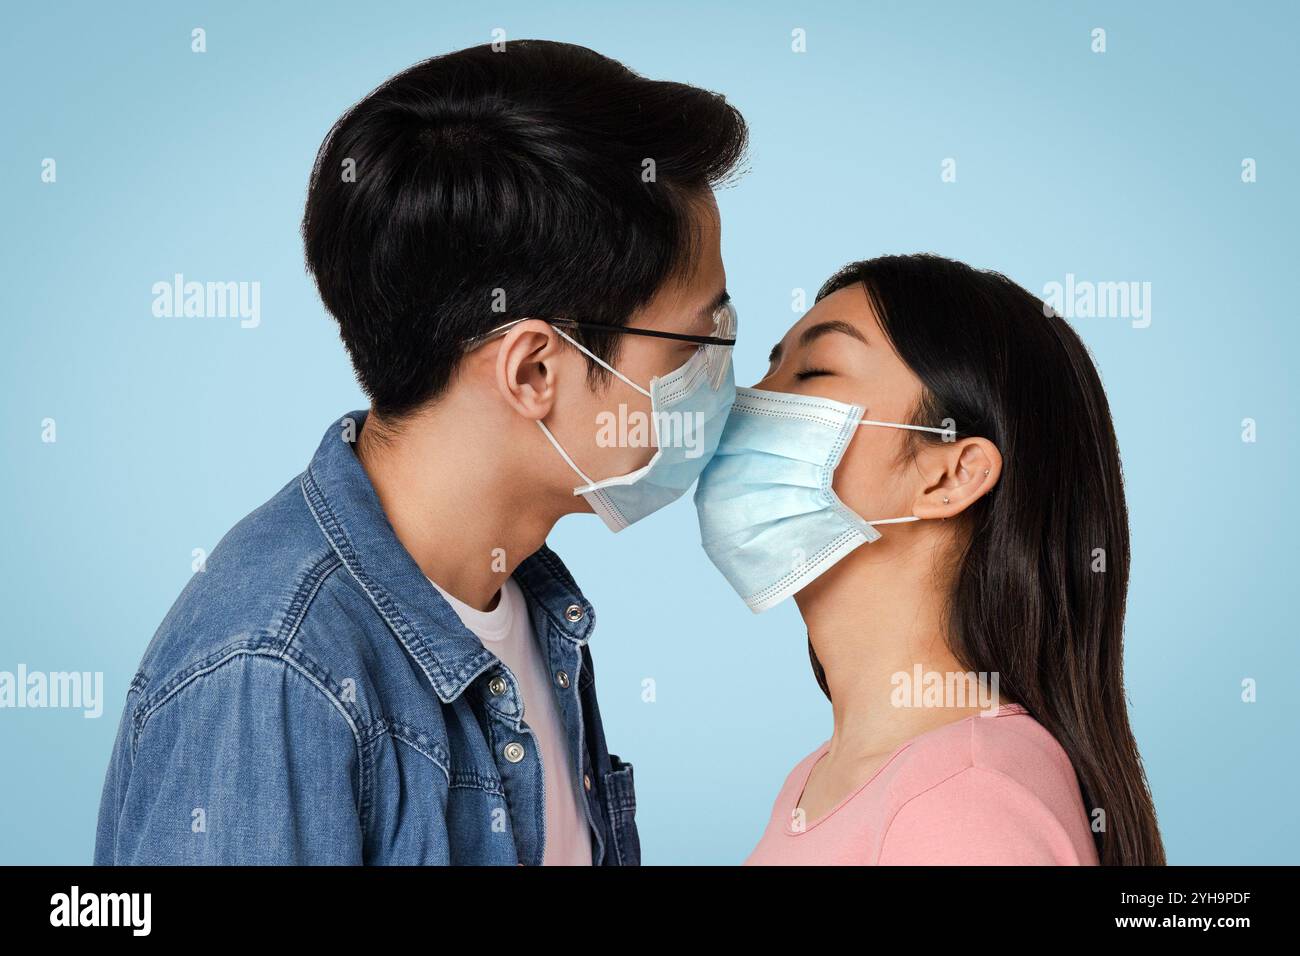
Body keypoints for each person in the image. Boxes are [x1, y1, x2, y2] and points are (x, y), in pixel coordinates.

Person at [95, 40, 745, 865]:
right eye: (698, 337)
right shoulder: (273, 677)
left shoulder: (528, 607)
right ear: (535, 369)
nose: (722, 371)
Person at [695, 254, 1164, 865]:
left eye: (812, 371)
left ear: (950, 475)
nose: (744, 404)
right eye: (770, 366)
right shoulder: (827, 780)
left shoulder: (966, 801)